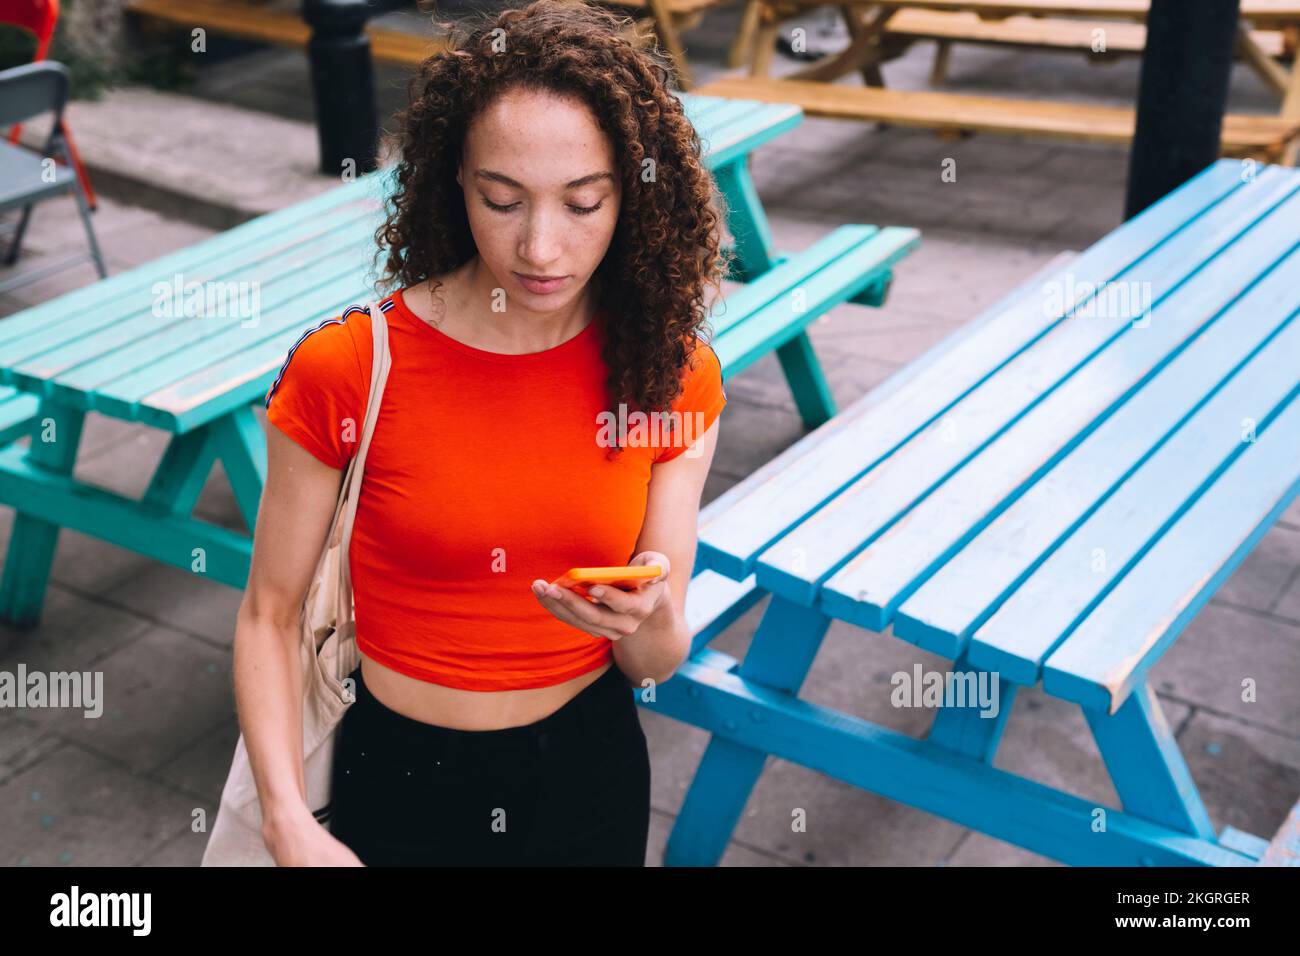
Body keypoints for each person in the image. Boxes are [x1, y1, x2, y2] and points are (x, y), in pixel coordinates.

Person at [232, 0, 731, 866]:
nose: (541, 248)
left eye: (584, 203)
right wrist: (286, 820)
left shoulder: (668, 372)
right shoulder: (349, 365)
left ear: (635, 197)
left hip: (588, 768)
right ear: (453, 181)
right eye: (503, 200)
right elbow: (269, 615)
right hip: (397, 772)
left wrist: (643, 617)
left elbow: (655, 662)